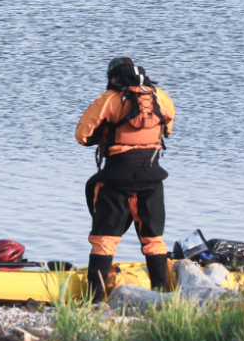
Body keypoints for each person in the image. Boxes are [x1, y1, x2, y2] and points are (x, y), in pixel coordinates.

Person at [75, 56, 176, 303]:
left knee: (104, 240)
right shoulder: (161, 97)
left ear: (113, 77)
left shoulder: (109, 99)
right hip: (152, 178)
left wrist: (104, 136)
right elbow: (168, 129)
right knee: (154, 240)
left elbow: (82, 136)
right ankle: (161, 297)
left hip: (116, 179)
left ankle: (95, 301)